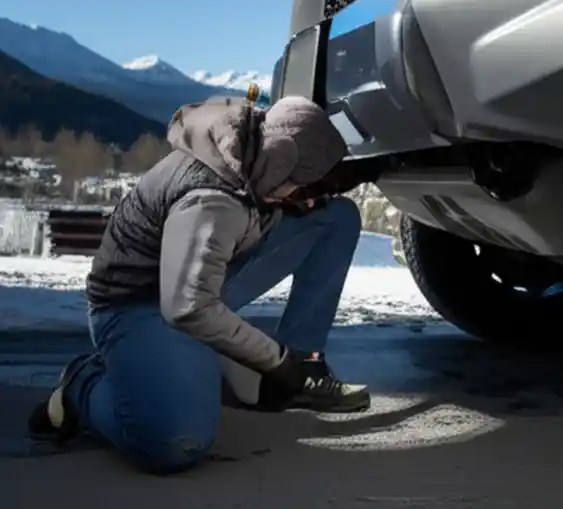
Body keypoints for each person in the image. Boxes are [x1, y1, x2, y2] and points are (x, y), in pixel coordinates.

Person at [28, 95, 370, 473]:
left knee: (336, 218)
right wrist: (276, 361)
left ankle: (305, 366)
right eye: (301, 189)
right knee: (175, 441)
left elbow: (304, 200)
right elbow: (188, 307)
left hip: (201, 279)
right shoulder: (211, 199)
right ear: (282, 162)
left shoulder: (257, 160)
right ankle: (84, 386)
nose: (304, 202)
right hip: (143, 304)